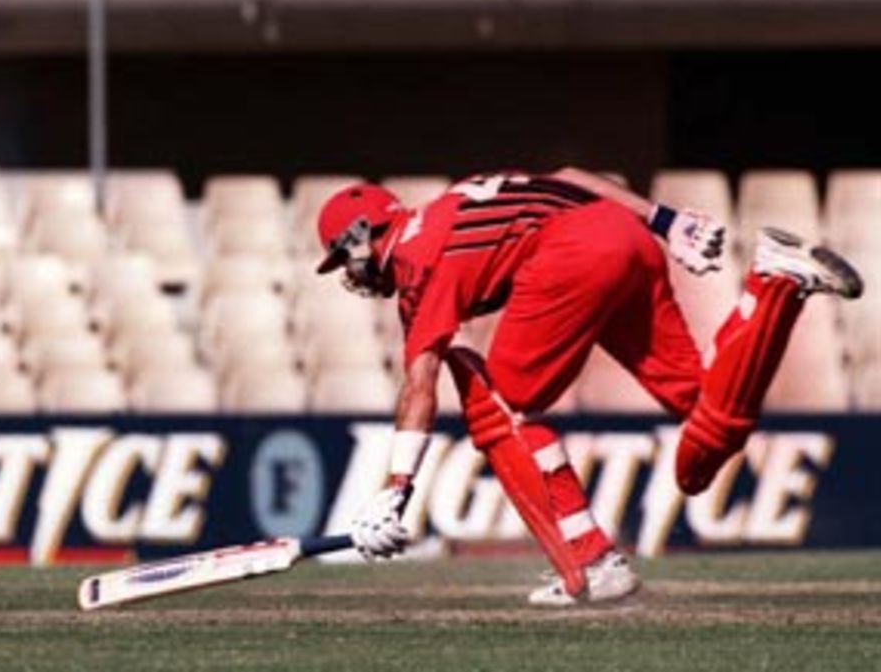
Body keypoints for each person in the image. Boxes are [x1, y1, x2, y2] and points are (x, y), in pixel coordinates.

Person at [314, 168, 863, 606]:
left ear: (362, 238)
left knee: (501, 401)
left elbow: (419, 384)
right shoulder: (456, 198)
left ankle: (593, 561)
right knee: (705, 422)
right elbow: (572, 175)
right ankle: (774, 284)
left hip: (573, 253)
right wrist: (663, 221)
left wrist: (395, 489)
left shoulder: (413, 261)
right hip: (626, 235)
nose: (351, 275)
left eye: (345, 259)